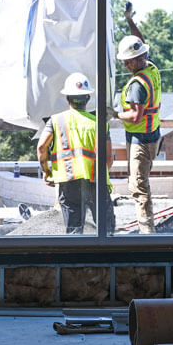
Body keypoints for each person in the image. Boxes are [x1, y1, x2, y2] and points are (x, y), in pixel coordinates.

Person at [36, 72, 115, 234]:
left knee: (74, 232)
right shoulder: (100, 123)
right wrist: (99, 175)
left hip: (69, 181)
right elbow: (108, 159)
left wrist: (47, 172)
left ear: (67, 98)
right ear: (88, 98)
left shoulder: (56, 121)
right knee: (107, 231)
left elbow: (41, 148)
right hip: (96, 181)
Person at [113, 3, 162, 233]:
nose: (125, 65)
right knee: (139, 181)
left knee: (139, 187)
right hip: (152, 136)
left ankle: (147, 232)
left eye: (128, 61)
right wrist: (129, 19)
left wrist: (114, 114)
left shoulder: (137, 85)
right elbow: (139, 41)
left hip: (141, 140)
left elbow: (134, 116)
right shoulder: (150, 67)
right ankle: (147, 229)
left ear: (138, 59)